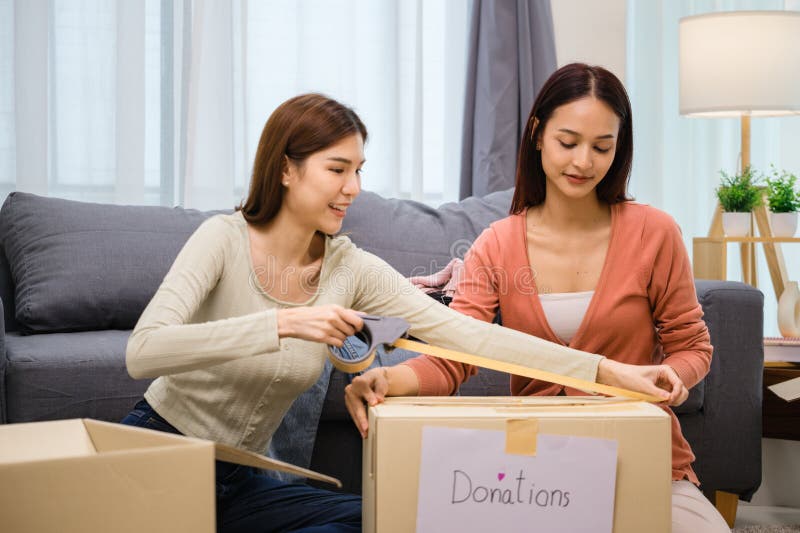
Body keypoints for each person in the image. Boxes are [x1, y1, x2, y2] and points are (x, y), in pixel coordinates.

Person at [121, 93, 685, 533]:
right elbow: (142, 352)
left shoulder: (350, 268)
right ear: (286, 169)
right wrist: (283, 323)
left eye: (359, 170)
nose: (353, 188)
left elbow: (468, 336)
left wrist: (606, 372)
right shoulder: (222, 239)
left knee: (387, 520)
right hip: (161, 454)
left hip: (244, 479)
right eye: (337, 170)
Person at [344, 64, 730, 533]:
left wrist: (673, 375)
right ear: (537, 135)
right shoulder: (497, 244)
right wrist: (387, 379)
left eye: (602, 147)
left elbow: (692, 346)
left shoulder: (656, 232)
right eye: (568, 142)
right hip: (537, 472)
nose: (583, 162)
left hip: (646, 456)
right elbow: (454, 355)